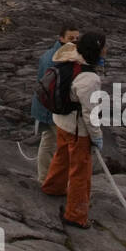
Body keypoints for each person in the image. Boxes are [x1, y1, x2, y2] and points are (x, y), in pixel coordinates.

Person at [40, 30, 107, 229]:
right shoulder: (89, 79)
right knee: (80, 172)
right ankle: (76, 215)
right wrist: (97, 136)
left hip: (60, 121)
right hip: (78, 130)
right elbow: (89, 113)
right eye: (103, 46)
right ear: (96, 50)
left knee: (61, 156)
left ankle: (52, 187)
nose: (106, 49)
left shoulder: (70, 58)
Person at [31, 24, 80, 183]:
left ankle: (45, 178)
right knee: (62, 147)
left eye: (77, 38)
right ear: (61, 38)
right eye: (70, 38)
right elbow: (56, 87)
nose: (74, 41)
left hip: (45, 106)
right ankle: (54, 182)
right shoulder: (57, 58)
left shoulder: (56, 54)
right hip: (52, 108)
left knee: (48, 142)